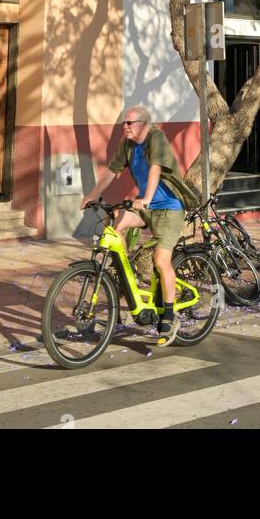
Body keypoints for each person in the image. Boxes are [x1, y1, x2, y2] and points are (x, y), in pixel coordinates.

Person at [83, 106, 198, 345]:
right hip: (147, 208)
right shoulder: (127, 145)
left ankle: (169, 315)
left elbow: (155, 167)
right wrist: (91, 195)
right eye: (124, 124)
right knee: (115, 222)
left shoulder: (156, 138)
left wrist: (145, 197)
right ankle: (129, 280)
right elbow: (111, 172)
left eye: (129, 123)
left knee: (160, 260)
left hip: (169, 208)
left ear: (144, 125)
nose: (125, 127)